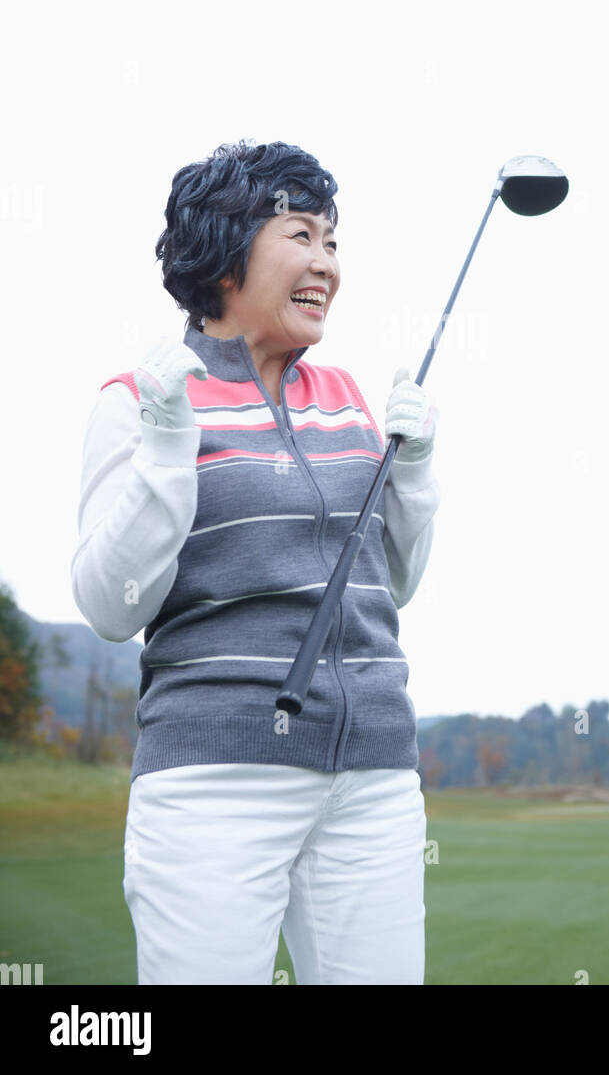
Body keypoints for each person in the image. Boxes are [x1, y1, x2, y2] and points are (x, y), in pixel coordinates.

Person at [70, 139, 441, 985]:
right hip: (215, 781)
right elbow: (109, 604)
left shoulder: (346, 398)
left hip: (373, 774)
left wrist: (416, 472)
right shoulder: (139, 400)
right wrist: (168, 448)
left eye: (333, 241)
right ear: (226, 252)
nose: (326, 263)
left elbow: (395, 581)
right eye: (300, 235)